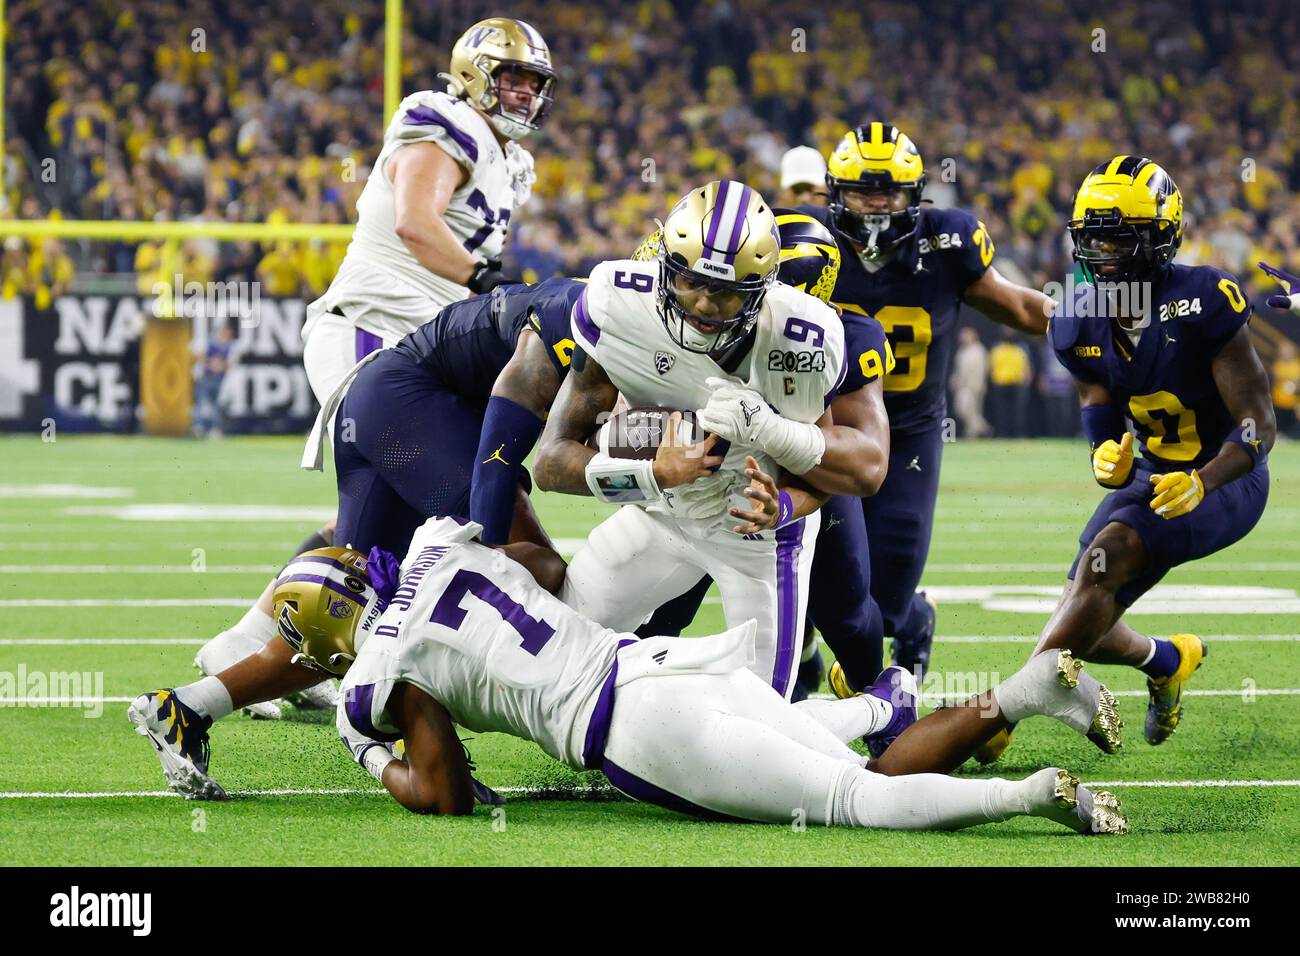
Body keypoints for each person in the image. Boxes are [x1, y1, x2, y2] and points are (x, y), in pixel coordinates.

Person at [128, 514, 1126, 835]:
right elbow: (520, 539)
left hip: (633, 729)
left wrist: (374, 745)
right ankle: (1021, 691)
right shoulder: (439, 538)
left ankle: (1031, 789)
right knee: (837, 736)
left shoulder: (374, 672)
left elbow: (449, 795)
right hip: (654, 659)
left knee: (849, 798)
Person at [190, 18, 557, 715]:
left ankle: (251, 648)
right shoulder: (444, 119)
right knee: (448, 512)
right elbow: (418, 222)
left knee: (379, 526)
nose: (522, 92)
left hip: (424, 352)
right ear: (473, 74)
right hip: (374, 332)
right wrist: (488, 286)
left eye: (533, 82)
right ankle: (279, 652)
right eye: (509, 75)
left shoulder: (515, 162)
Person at [128, 279, 583, 781]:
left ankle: (187, 709)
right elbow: (526, 453)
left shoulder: (601, 311)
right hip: (413, 408)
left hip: (381, 401)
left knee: (344, 614)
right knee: (536, 566)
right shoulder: (590, 318)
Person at [980, 156, 1274, 763]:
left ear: (1160, 237)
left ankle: (1001, 712)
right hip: (1152, 475)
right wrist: (1102, 451)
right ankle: (1168, 660)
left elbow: (1258, 426)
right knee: (1082, 607)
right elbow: (1097, 392)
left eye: (1120, 237)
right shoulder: (1079, 314)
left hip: (1225, 480)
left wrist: (1204, 480)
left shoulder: (1203, 300)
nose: (1105, 252)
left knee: (1104, 565)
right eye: (1094, 237)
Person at [535, 180, 877, 700]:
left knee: (762, 718)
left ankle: (882, 708)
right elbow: (551, 463)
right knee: (556, 654)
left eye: (727, 291)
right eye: (689, 280)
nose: (703, 302)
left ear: (763, 290)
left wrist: (776, 472)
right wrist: (651, 474)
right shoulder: (617, 302)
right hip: (660, 511)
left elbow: (851, 475)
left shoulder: (803, 335)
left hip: (753, 535)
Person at [789, 123, 1056, 685]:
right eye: (863, 192)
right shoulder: (810, 240)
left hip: (910, 432)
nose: (876, 207)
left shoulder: (949, 241)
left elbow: (1019, 308)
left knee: (884, 605)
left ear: (916, 196)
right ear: (835, 193)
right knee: (826, 577)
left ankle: (914, 617)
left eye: (889, 193)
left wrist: (1096, 324)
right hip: (832, 428)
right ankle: (808, 658)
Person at [988, 330, 1032, 437]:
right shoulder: (997, 349)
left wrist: (1027, 377)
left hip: (1017, 384)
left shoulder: (1021, 349)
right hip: (1000, 383)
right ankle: (1002, 433)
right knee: (1001, 411)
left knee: (1018, 411)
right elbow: (990, 366)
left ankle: (1018, 434)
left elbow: (1027, 367)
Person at [950, 326, 991, 438]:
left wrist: (977, 386)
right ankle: (983, 428)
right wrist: (954, 381)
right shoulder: (961, 351)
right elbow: (958, 370)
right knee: (962, 410)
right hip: (962, 387)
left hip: (974, 386)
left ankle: (973, 433)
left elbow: (982, 370)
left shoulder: (979, 350)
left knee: (972, 411)